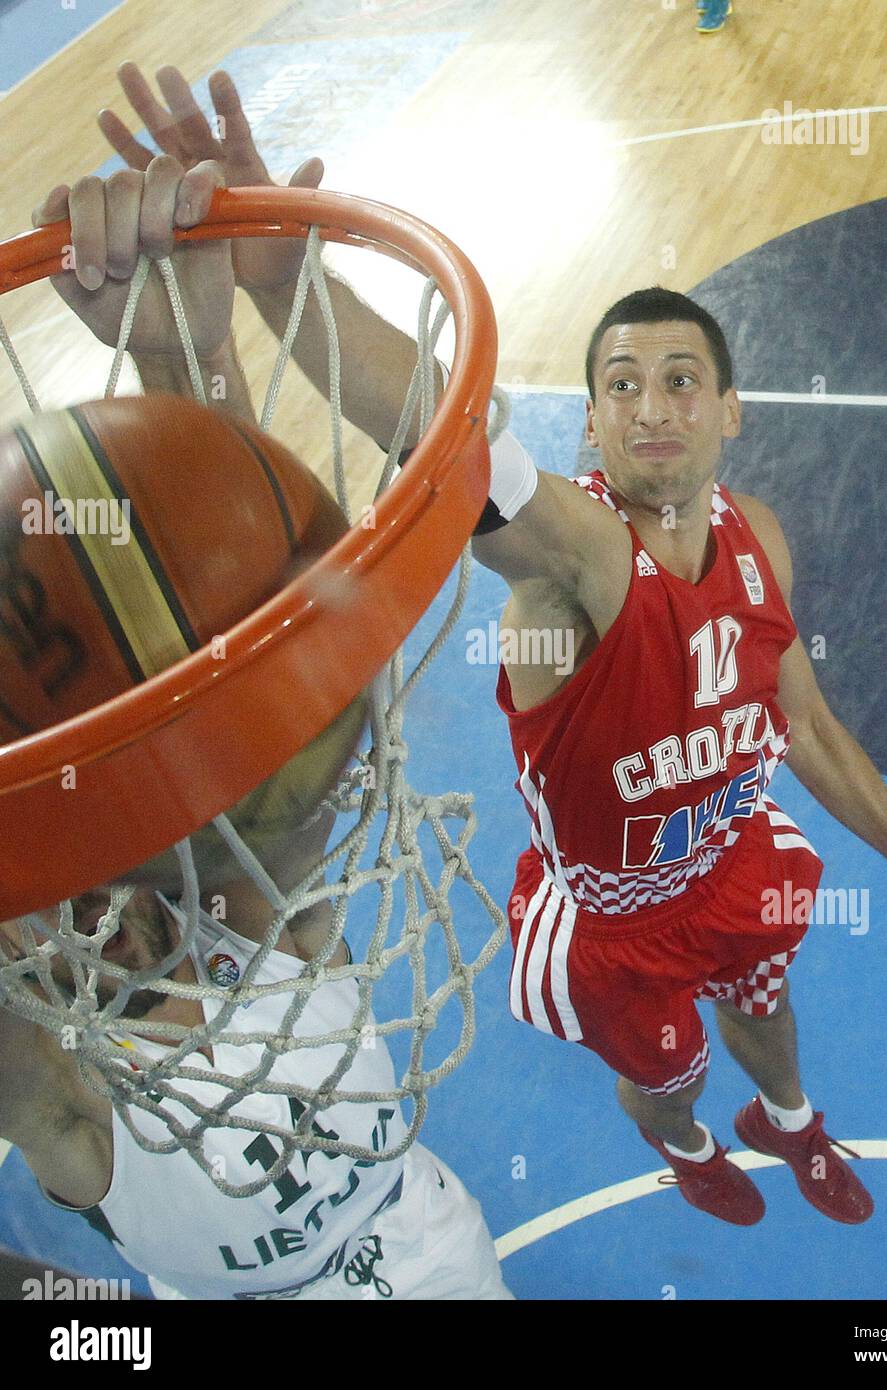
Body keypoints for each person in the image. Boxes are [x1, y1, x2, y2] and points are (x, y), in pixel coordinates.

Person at [91, 64, 887, 1230]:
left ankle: (786, 1116)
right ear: (591, 424)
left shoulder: (757, 537)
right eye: (621, 384)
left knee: (768, 1008)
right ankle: (681, 1143)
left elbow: (807, 720)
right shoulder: (575, 564)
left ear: (731, 413)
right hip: (614, 923)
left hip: (726, 859)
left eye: (682, 381)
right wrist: (292, 284)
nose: (651, 404)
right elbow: (451, 431)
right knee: (666, 1076)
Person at [0, 151, 511, 1302]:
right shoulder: (69, 1097)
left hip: (434, 1250)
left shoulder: (258, 914)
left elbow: (262, 655)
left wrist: (181, 353)